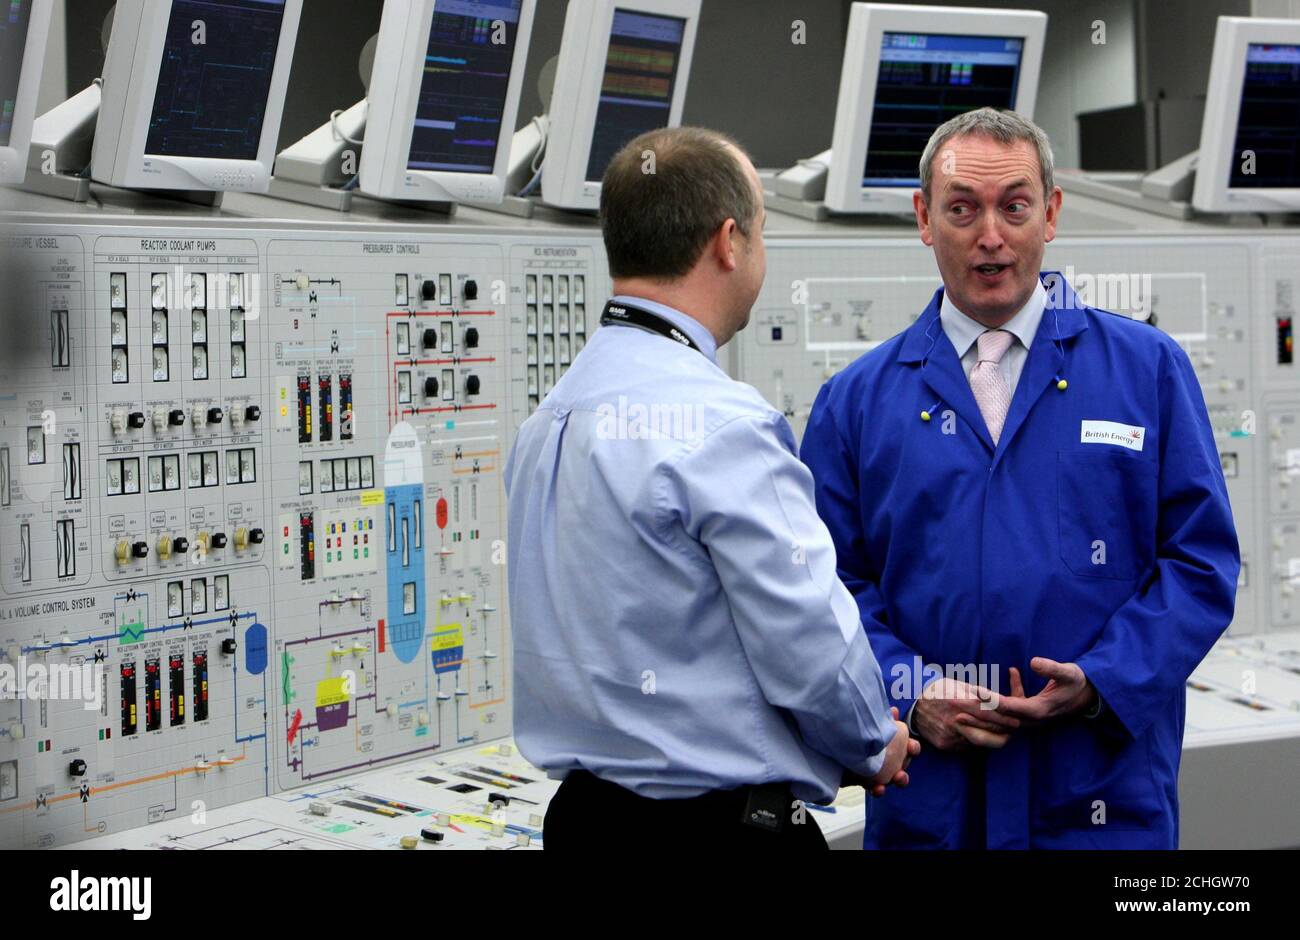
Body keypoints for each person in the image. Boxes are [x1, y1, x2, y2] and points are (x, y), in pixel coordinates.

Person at [800, 108, 1239, 849]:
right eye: (963, 208)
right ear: (924, 218)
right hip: (936, 800)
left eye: (1014, 205)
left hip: (1099, 794)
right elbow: (826, 588)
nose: (991, 235)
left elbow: (1201, 564)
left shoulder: (1147, 370)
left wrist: (1103, 680)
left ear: (1052, 212)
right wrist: (908, 692)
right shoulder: (857, 401)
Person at [505, 127, 916, 850]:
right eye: (761, 233)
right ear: (730, 242)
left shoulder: (549, 420)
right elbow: (808, 642)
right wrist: (873, 741)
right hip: (717, 829)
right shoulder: (724, 425)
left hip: (584, 822)